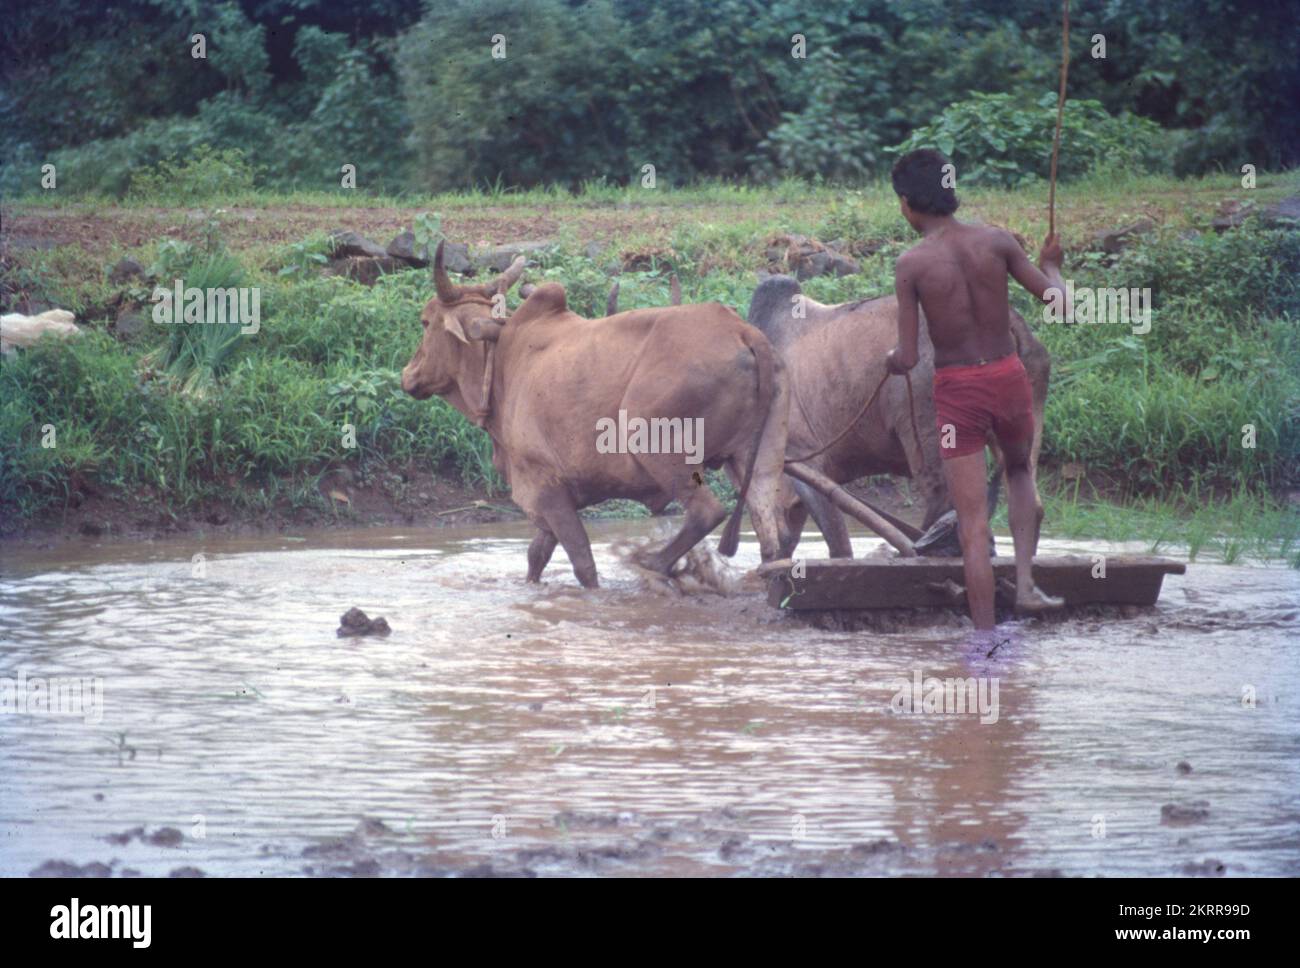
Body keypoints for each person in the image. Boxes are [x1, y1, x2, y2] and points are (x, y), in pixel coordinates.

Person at [885, 148, 1065, 630]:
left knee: (971, 523)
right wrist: (1054, 267)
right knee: (1020, 472)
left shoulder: (912, 265)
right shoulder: (997, 241)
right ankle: (1025, 587)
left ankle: (984, 638)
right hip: (1008, 379)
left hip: (959, 393)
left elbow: (906, 357)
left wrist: (889, 362)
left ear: (907, 202)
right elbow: (1059, 304)